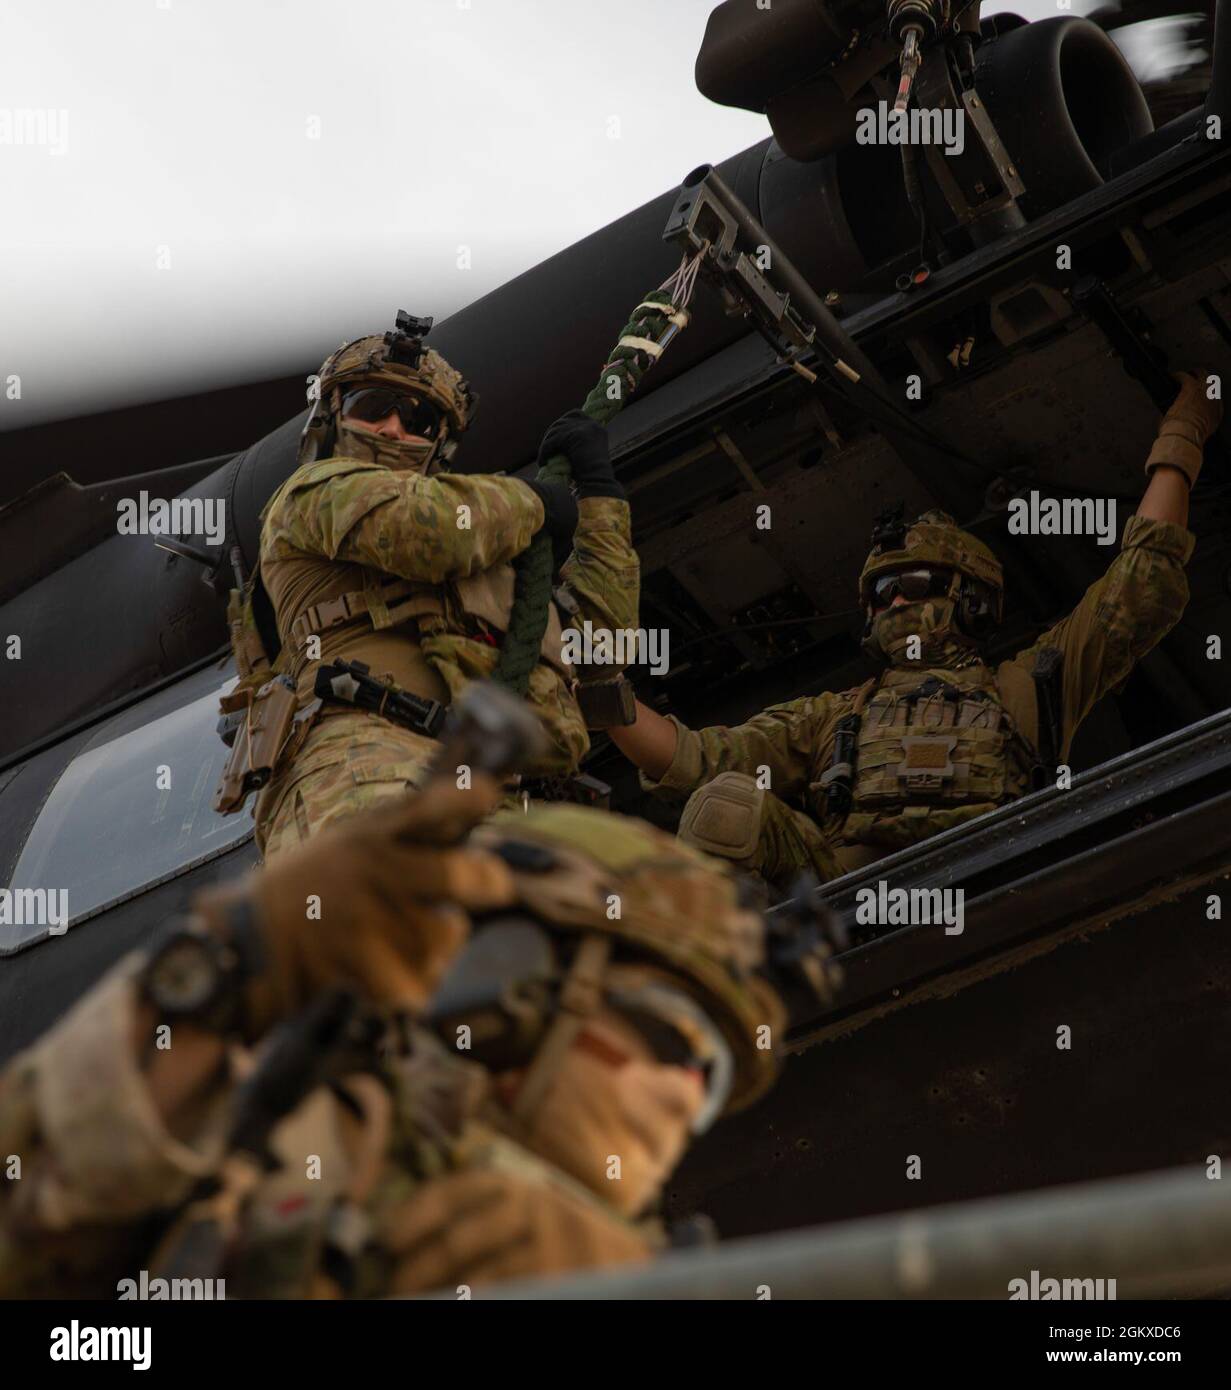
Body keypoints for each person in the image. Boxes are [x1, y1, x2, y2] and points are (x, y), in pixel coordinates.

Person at [0, 715, 827, 1297]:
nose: (686, 1099)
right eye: (664, 1034)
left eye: (714, 1079)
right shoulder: (276, 1162)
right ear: (502, 981)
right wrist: (236, 961)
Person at [608, 373, 1222, 888]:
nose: (896, 598)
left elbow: (1138, 585)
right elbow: (698, 759)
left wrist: (1184, 433)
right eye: (880, 591)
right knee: (725, 807)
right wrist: (599, 691)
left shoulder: (1027, 686)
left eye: (919, 583)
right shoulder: (834, 716)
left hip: (999, 870)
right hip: (848, 897)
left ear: (973, 601)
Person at [216, 311, 638, 858]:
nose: (393, 429)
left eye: (417, 420)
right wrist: (535, 504)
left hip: (499, 795)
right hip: (365, 765)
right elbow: (432, 530)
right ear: (332, 416)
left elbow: (605, 645)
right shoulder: (312, 495)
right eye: (370, 409)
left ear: (438, 443)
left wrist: (601, 499)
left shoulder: (491, 550)